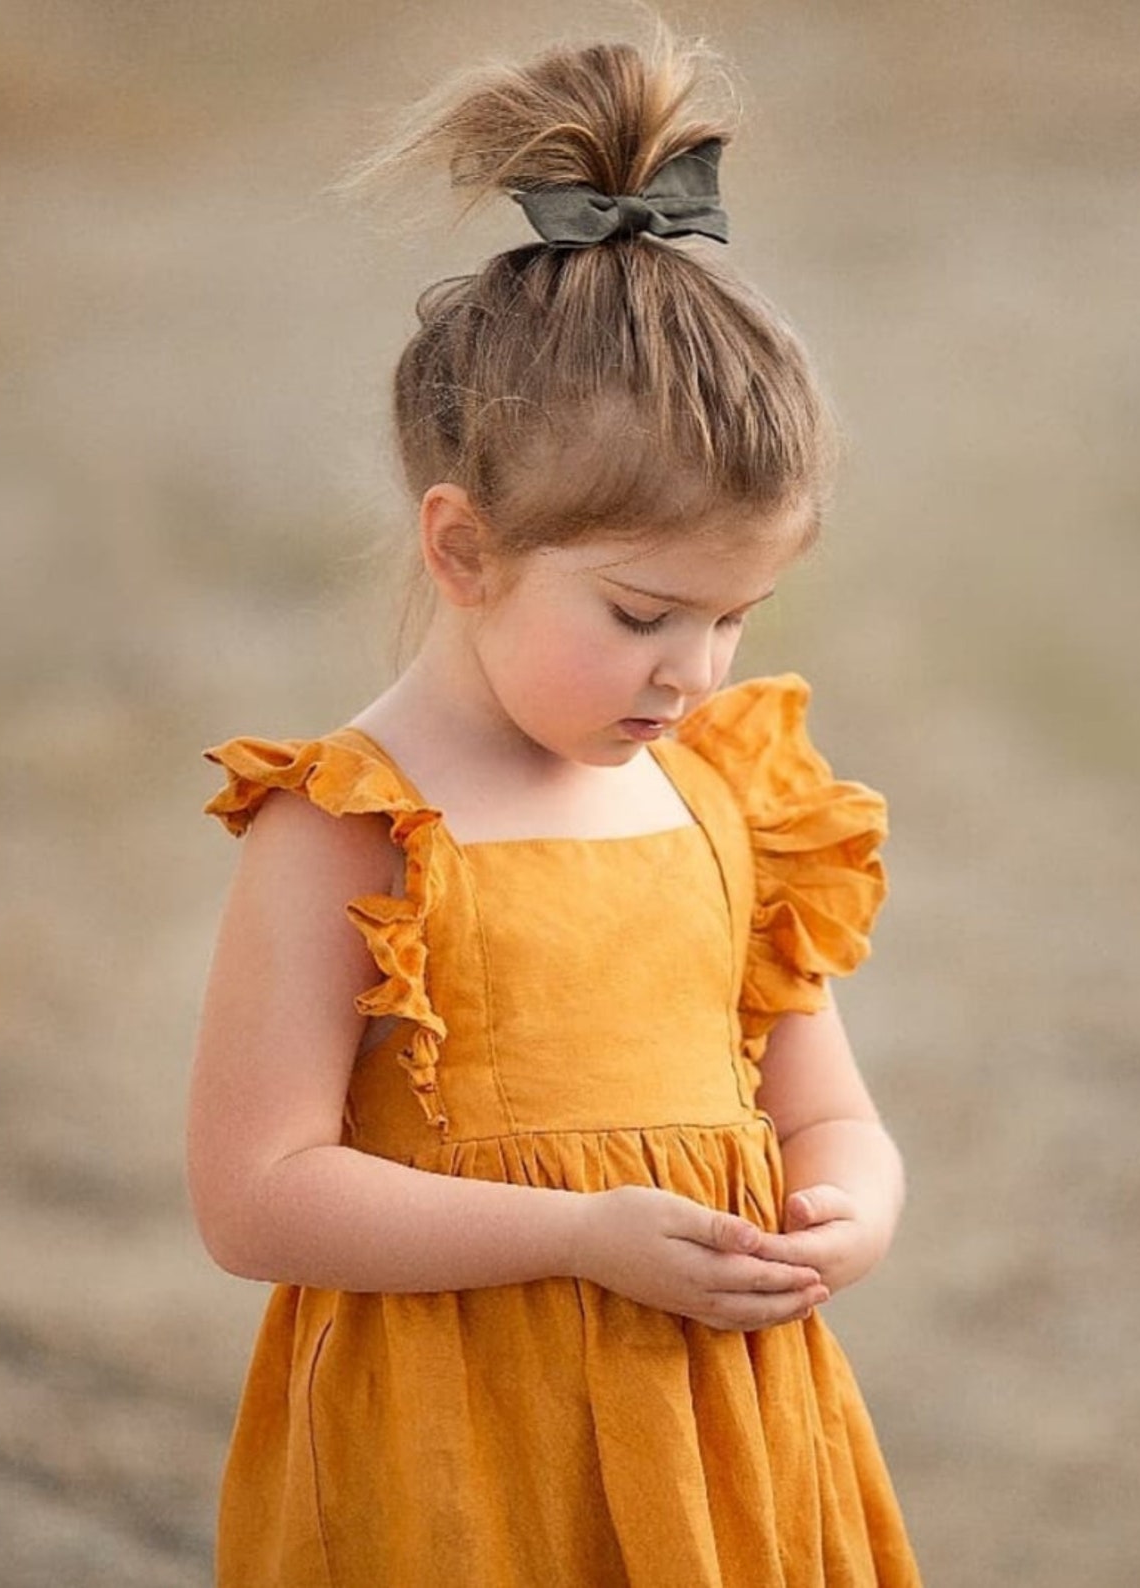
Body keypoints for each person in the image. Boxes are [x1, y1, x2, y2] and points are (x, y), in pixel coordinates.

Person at [188, 27, 921, 1588]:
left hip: (721, 1444)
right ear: (462, 550)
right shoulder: (348, 830)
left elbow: (827, 1107)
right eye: (644, 615)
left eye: (739, 616)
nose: (695, 670)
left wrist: (846, 1212)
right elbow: (256, 1200)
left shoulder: (728, 794)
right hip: (451, 1468)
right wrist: (576, 1238)